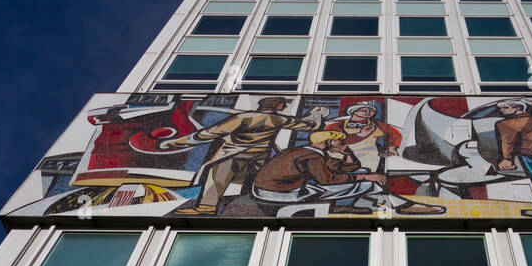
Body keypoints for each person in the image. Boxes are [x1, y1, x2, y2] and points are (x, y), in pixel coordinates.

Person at [173, 96, 329, 215]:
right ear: (276, 104)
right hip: (260, 154)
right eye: (283, 103)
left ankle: (206, 207)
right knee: (258, 181)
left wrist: (177, 142)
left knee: (217, 177)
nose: (285, 105)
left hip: (235, 153)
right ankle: (254, 208)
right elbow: (308, 125)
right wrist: (316, 115)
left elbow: (211, 132)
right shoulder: (279, 119)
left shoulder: (244, 117)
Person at [252, 129, 441, 215]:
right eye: (338, 141)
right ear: (327, 141)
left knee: (363, 173)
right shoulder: (313, 157)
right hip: (282, 193)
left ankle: (361, 203)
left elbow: (348, 168)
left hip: (274, 188)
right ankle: (403, 206)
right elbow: (329, 180)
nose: (342, 143)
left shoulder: (307, 151)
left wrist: (348, 153)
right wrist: (366, 176)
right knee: (369, 182)